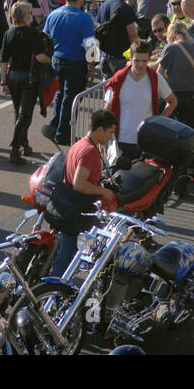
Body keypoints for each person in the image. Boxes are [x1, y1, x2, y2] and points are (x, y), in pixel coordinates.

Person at [50, 110, 120, 277]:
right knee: (70, 255)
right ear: (100, 130)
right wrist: (104, 191)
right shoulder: (89, 152)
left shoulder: (80, 144)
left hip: (67, 208)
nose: (110, 137)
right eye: (110, 132)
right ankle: (56, 291)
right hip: (79, 214)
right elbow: (79, 183)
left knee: (70, 253)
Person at [44, 0, 96, 144]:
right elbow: (90, 44)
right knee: (71, 98)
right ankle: (63, 133)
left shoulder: (53, 14)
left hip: (56, 59)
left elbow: (46, 38)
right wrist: (92, 67)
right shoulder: (84, 18)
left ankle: (55, 125)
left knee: (60, 95)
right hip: (76, 62)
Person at [1, 1, 52, 164]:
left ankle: (24, 144)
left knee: (19, 113)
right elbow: (39, 57)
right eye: (29, 13)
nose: (31, 16)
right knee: (25, 115)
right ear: (24, 16)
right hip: (28, 78)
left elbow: (4, 61)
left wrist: (3, 82)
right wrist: (51, 54)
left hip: (13, 76)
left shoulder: (8, 33)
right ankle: (15, 149)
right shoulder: (32, 33)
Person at [96, 0, 139, 76]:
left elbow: (99, 30)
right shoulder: (126, 8)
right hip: (120, 58)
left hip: (104, 56)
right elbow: (132, 36)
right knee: (121, 87)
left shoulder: (103, 6)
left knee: (108, 88)